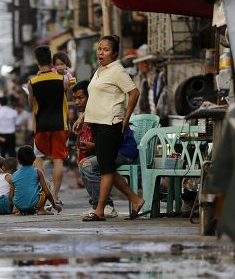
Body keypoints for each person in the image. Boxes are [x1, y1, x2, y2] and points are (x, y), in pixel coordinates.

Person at [82, 35, 144, 221]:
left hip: (110, 124)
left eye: (106, 49)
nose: (101, 52)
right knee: (107, 166)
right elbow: (96, 98)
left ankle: (100, 210)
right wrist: (82, 116)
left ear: (115, 53)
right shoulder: (100, 70)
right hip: (98, 125)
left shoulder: (117, 70)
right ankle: (135, 199)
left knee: (106, 169)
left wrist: (126, 118)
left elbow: (134, 92)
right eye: (99, 49)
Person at [73, 80, 140, 218]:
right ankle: (131, 200)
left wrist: (94, 146)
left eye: (80, 98)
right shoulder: (92, 113)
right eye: (74, 98)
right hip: (111, 150)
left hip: (124, 150)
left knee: (89, 166)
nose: (76, 102)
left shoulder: (101, 111)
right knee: (85, 164)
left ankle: (106, 206)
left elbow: (114, 139)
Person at [27, 46, 69, 206]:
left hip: (41, 125)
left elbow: (31, 104)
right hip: (60, 123)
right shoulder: (62, 80)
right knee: (58, 159)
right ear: (51, 60)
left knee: (39, 158)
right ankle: (56, 196)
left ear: (37, 61)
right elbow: (65, 95)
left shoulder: (32, 82)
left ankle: (44, 194)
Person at [8, 145, 62, 215]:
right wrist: (55, 206)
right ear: (34, 158)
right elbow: (47, 193)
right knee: (47, 184)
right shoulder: (37, 172)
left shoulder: (14, 175)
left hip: (19, 206)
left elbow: (10, 197)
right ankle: (41, 209)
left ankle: (20, 211)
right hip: (34, 205)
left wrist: (18, 206)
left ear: (19, 161)